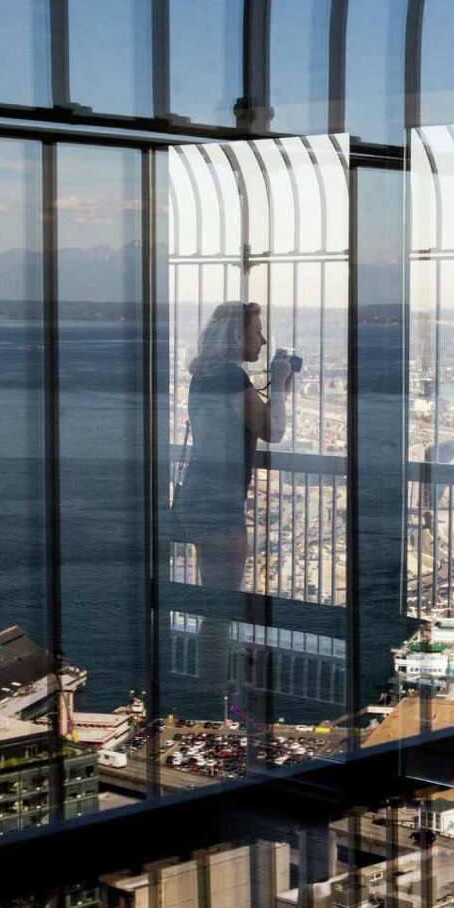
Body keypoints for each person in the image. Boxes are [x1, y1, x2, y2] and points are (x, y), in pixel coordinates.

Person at [169, 300, 294, 709]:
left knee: (213, 604)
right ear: (238, 336)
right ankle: (209, 695)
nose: (262, 338)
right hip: (220, 503)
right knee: (221, 606)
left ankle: (207, 690)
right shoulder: (230, 377)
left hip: (197, 495)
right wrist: (277, 382)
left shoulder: (205, 375)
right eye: (257, 331)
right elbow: (272, 431)